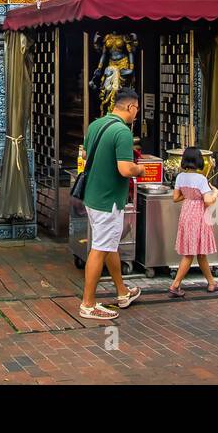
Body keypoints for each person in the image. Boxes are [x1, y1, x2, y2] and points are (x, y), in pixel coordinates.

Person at [79, 88, 148, 321]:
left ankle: (122, 292)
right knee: (99, 249)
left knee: (108, 245)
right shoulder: (122, 132)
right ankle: (88, 304)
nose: (136, 114)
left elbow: (87, 155)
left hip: (93, 196)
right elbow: (125, 169)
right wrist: (140, 169)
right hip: (109, 200)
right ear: (130, 107)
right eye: (137, 109)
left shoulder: (95, 125)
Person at [167, 147, 218, 298]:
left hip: (186, 213)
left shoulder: (180, 177)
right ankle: (175, 285)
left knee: (200, 252)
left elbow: (176, 198)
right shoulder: (201, 179)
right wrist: (215, 193)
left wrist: (189, 196)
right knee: (190, 253)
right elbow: (208, 201)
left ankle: (211, 283)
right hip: (198, 215)